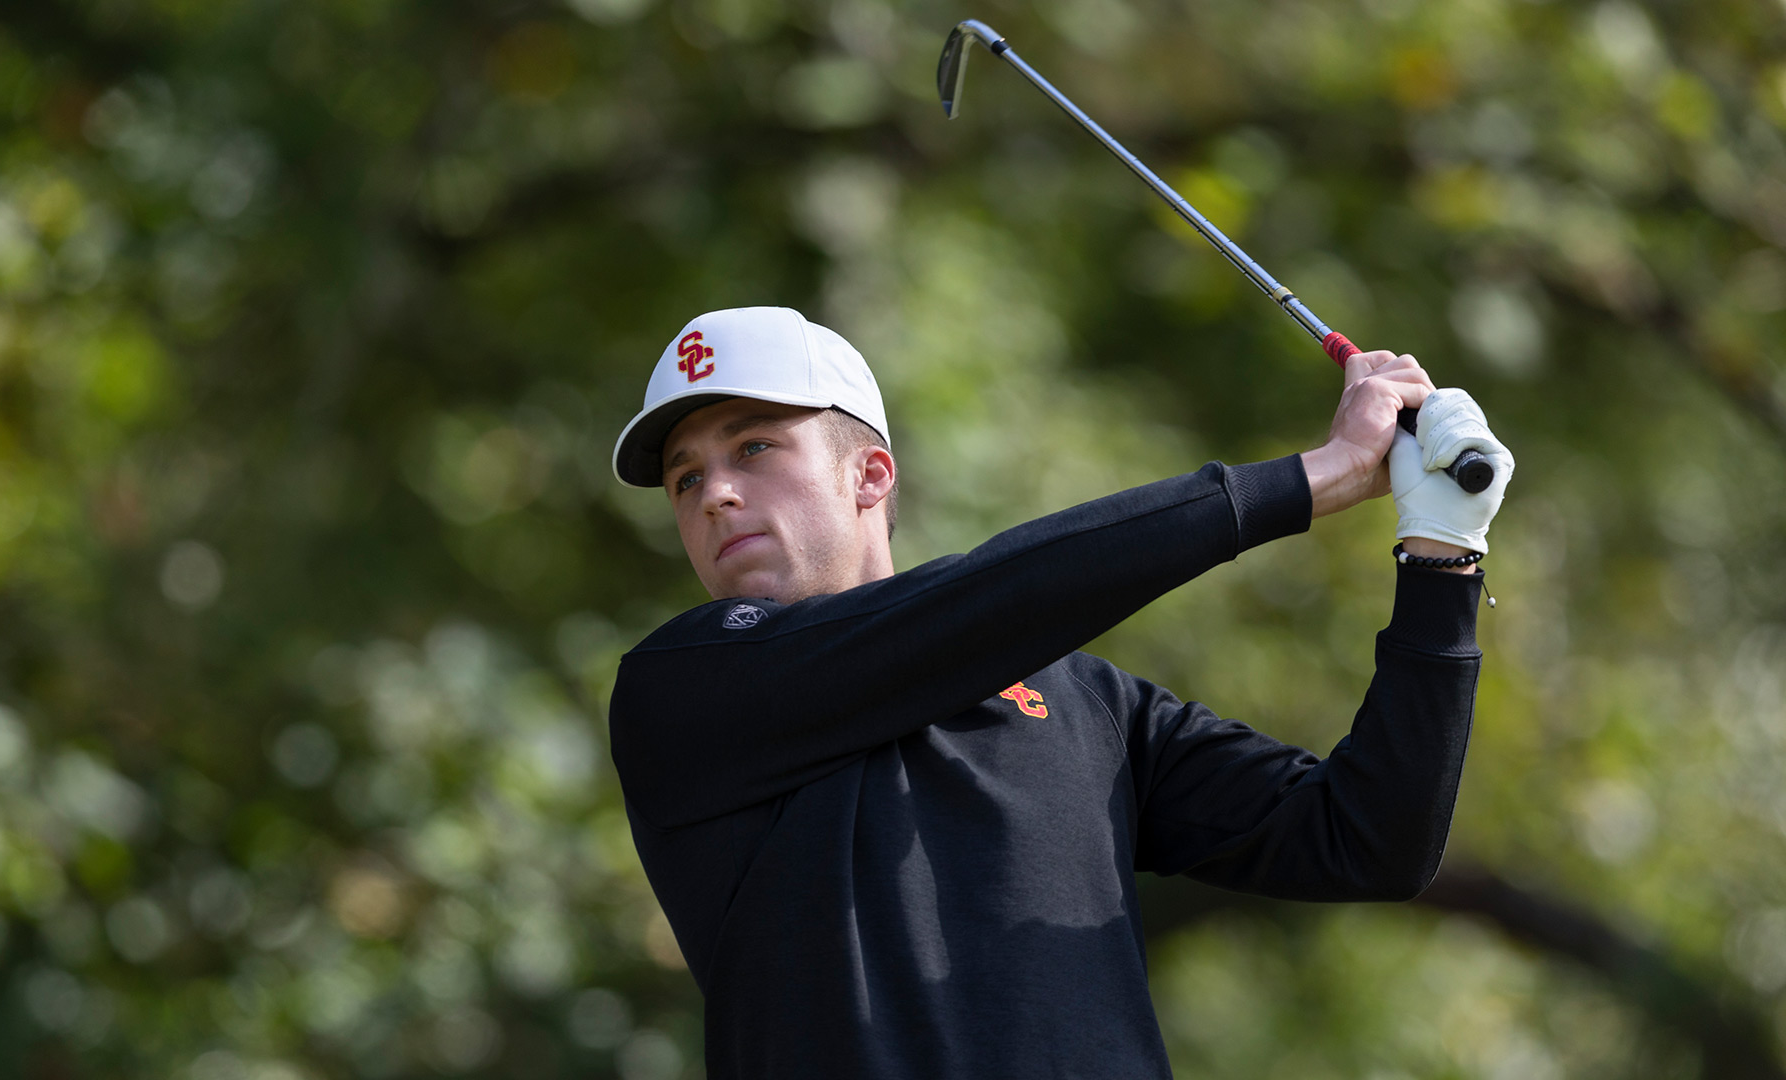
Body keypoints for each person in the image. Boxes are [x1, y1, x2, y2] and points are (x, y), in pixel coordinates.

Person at [606, 305, 1512, 1079]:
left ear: (870, 475)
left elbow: (1369, 841)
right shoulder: (684, 693)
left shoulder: (1087, 704)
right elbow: (990, 601)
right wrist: (1309, 481)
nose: (715, 492)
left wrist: (1441, 559)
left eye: (755, 445)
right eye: (686, 478)